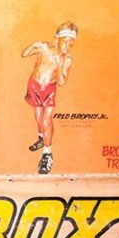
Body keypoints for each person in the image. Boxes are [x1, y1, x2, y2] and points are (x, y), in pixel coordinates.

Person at [21, 22, 78, 174]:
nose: (68, 44)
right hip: (34, 86)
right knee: (39, 120)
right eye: (65, 40)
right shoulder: (45, 48)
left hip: (49, 90)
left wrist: (59, 65)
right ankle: (41, 138)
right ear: (57, 39)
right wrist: (34, 46)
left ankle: (47, 153)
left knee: (47, 120)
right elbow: (24, 54)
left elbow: (61, 82)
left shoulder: (67, 59)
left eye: (71, 41)